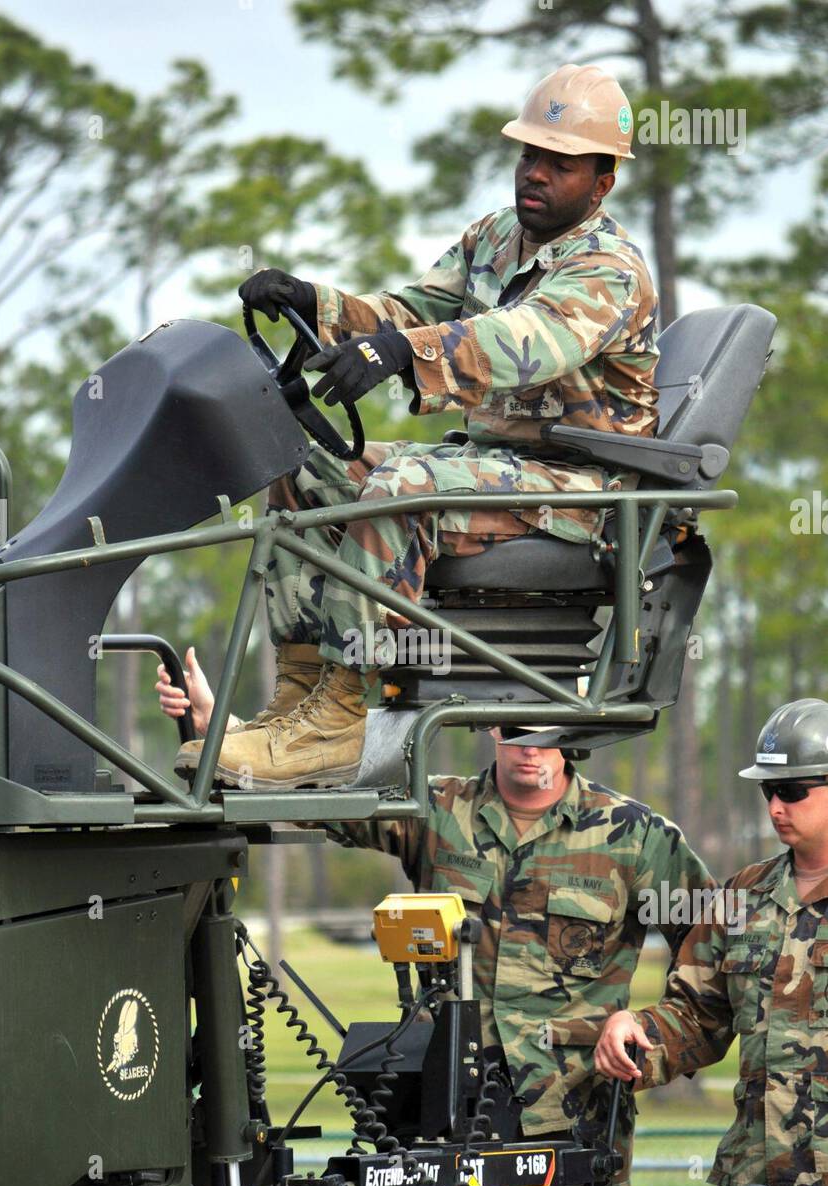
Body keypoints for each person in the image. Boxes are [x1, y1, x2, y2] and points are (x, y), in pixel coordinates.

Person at [175, 62, 659, 792]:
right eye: (530, 154)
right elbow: (412, 310)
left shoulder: (609, 270)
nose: (535, 173)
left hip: (581, 489)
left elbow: (525, 341)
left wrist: (404, 353)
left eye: (560, 164)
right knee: (306, 466)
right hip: (498, 467)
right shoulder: (496, 237)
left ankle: (339, 717)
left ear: (602, 183)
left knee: (404, 486)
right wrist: (316, 301)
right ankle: (298, 700)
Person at [157, 662, 713, 1186]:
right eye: (516, 728)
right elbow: (317, 793)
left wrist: (649, 1031)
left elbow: (714, 953)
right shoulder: (436, 810)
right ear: (490, 726)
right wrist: (222, 729)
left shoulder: (636, 838)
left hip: (575, 1123)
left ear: (575, 733)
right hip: (456, 1126)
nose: (531, 748)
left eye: (549, 731)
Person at [594, 698, 828, 1186]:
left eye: (793, 791)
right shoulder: (742, 896)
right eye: (767, 791)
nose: (775, 807)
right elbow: (697, 1015)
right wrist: (635, 1031)